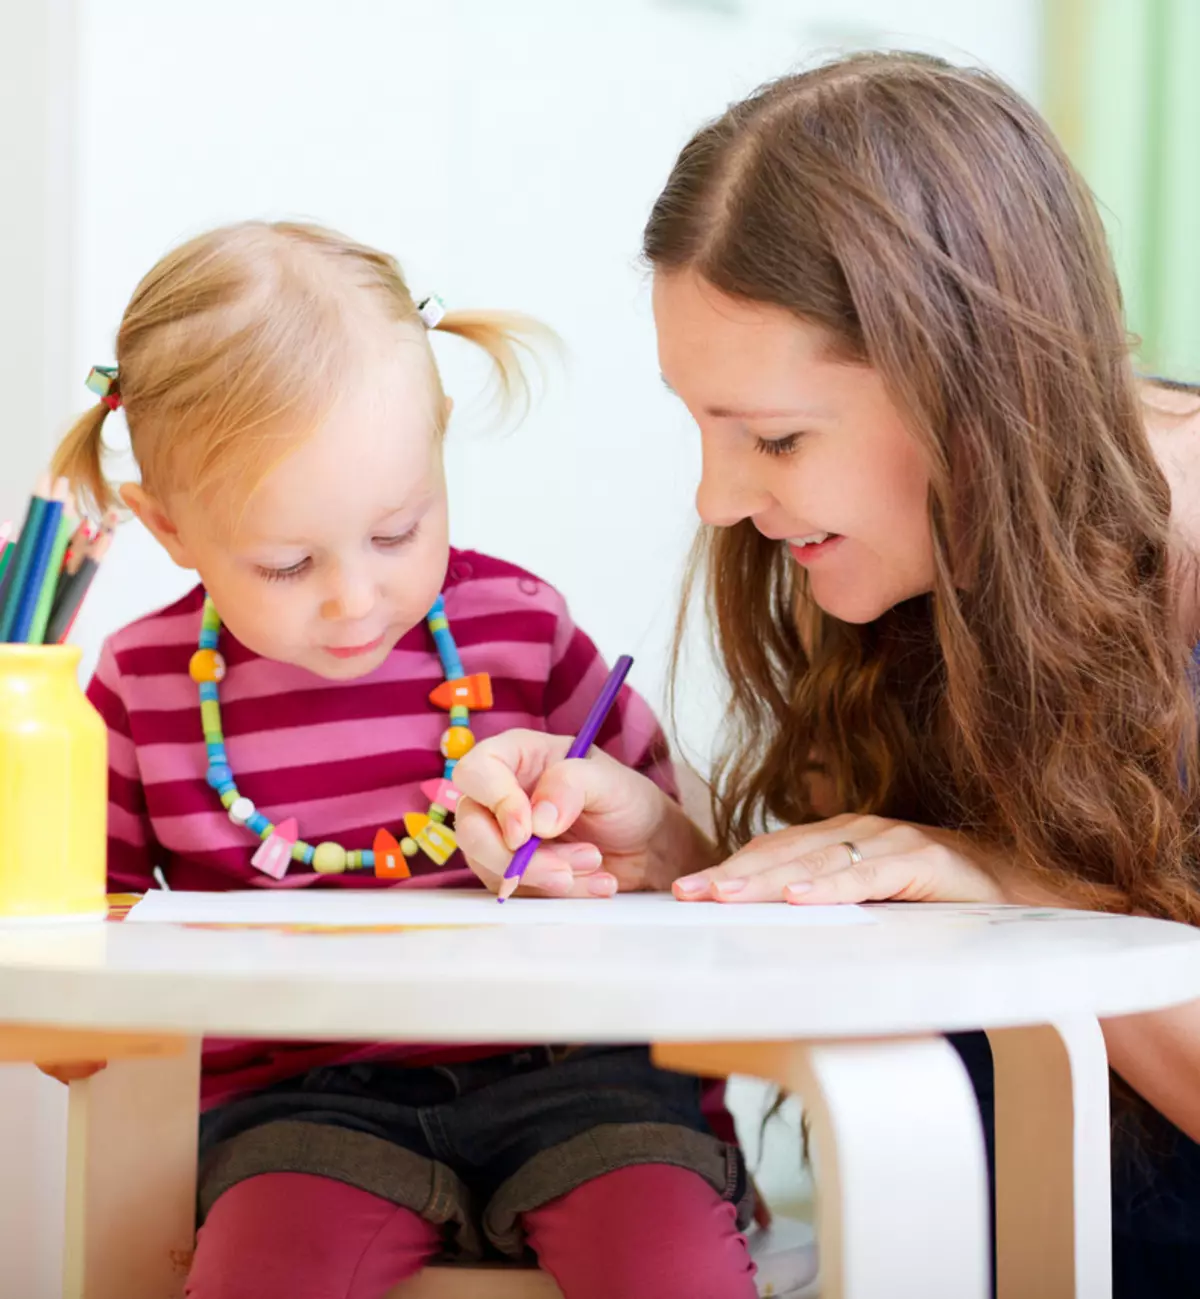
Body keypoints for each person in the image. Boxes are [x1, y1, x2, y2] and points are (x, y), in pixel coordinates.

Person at [453, 52, 1200, 1295]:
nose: (718, 499)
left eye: (777, 439)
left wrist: (1017, 903)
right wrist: (680, 861)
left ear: (973, 388)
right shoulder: (877, 569)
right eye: (703, 424)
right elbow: (910, 919)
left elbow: (977, 903)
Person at [52, 220, 757, 1299]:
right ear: (167, 526)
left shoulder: (519, 631)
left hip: (581, 1078)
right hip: (300, 1113)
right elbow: (73, 944)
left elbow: (688, 875)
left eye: (397, 531)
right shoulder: (142, 690)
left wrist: (595, 845)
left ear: (437, 447)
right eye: (286, 562)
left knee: (672, 1267)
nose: (354, 597)